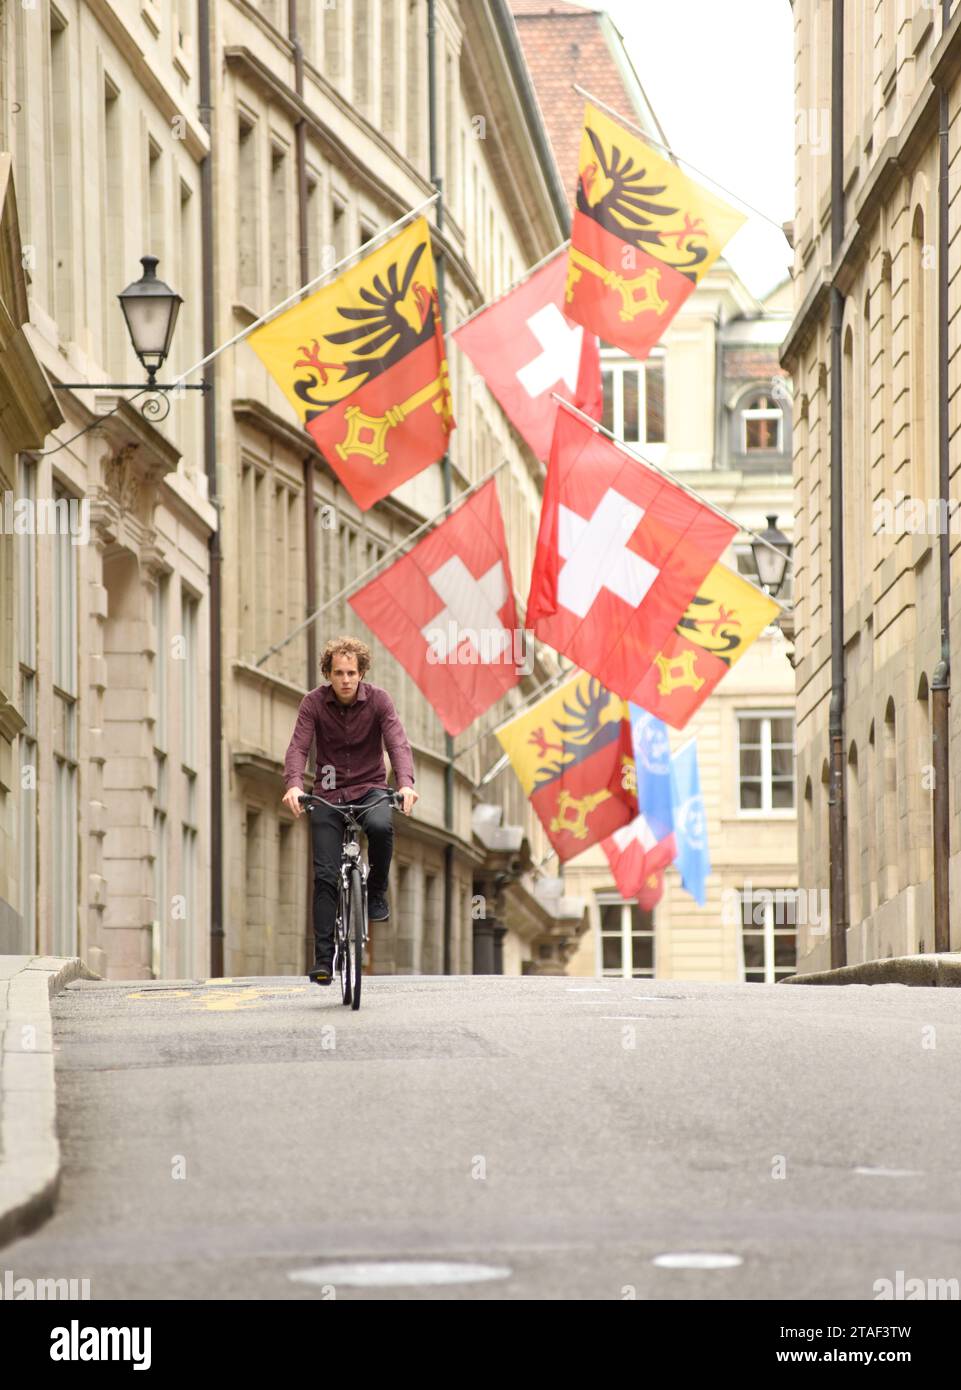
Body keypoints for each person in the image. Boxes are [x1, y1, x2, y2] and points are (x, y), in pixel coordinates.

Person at [281, 636, 418, 984]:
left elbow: (397, 743)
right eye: (338, 672)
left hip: (370, 788)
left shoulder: (379, 702)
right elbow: (298, 747)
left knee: (382, 827)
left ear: (362, 674)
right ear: (328, 673)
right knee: (324, 875)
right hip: (328, 793)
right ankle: (324, 959)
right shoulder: (313, 704)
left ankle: (375, 892)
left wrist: (405, 784)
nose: (345, 679)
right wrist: (294, 785)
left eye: (352, 673)